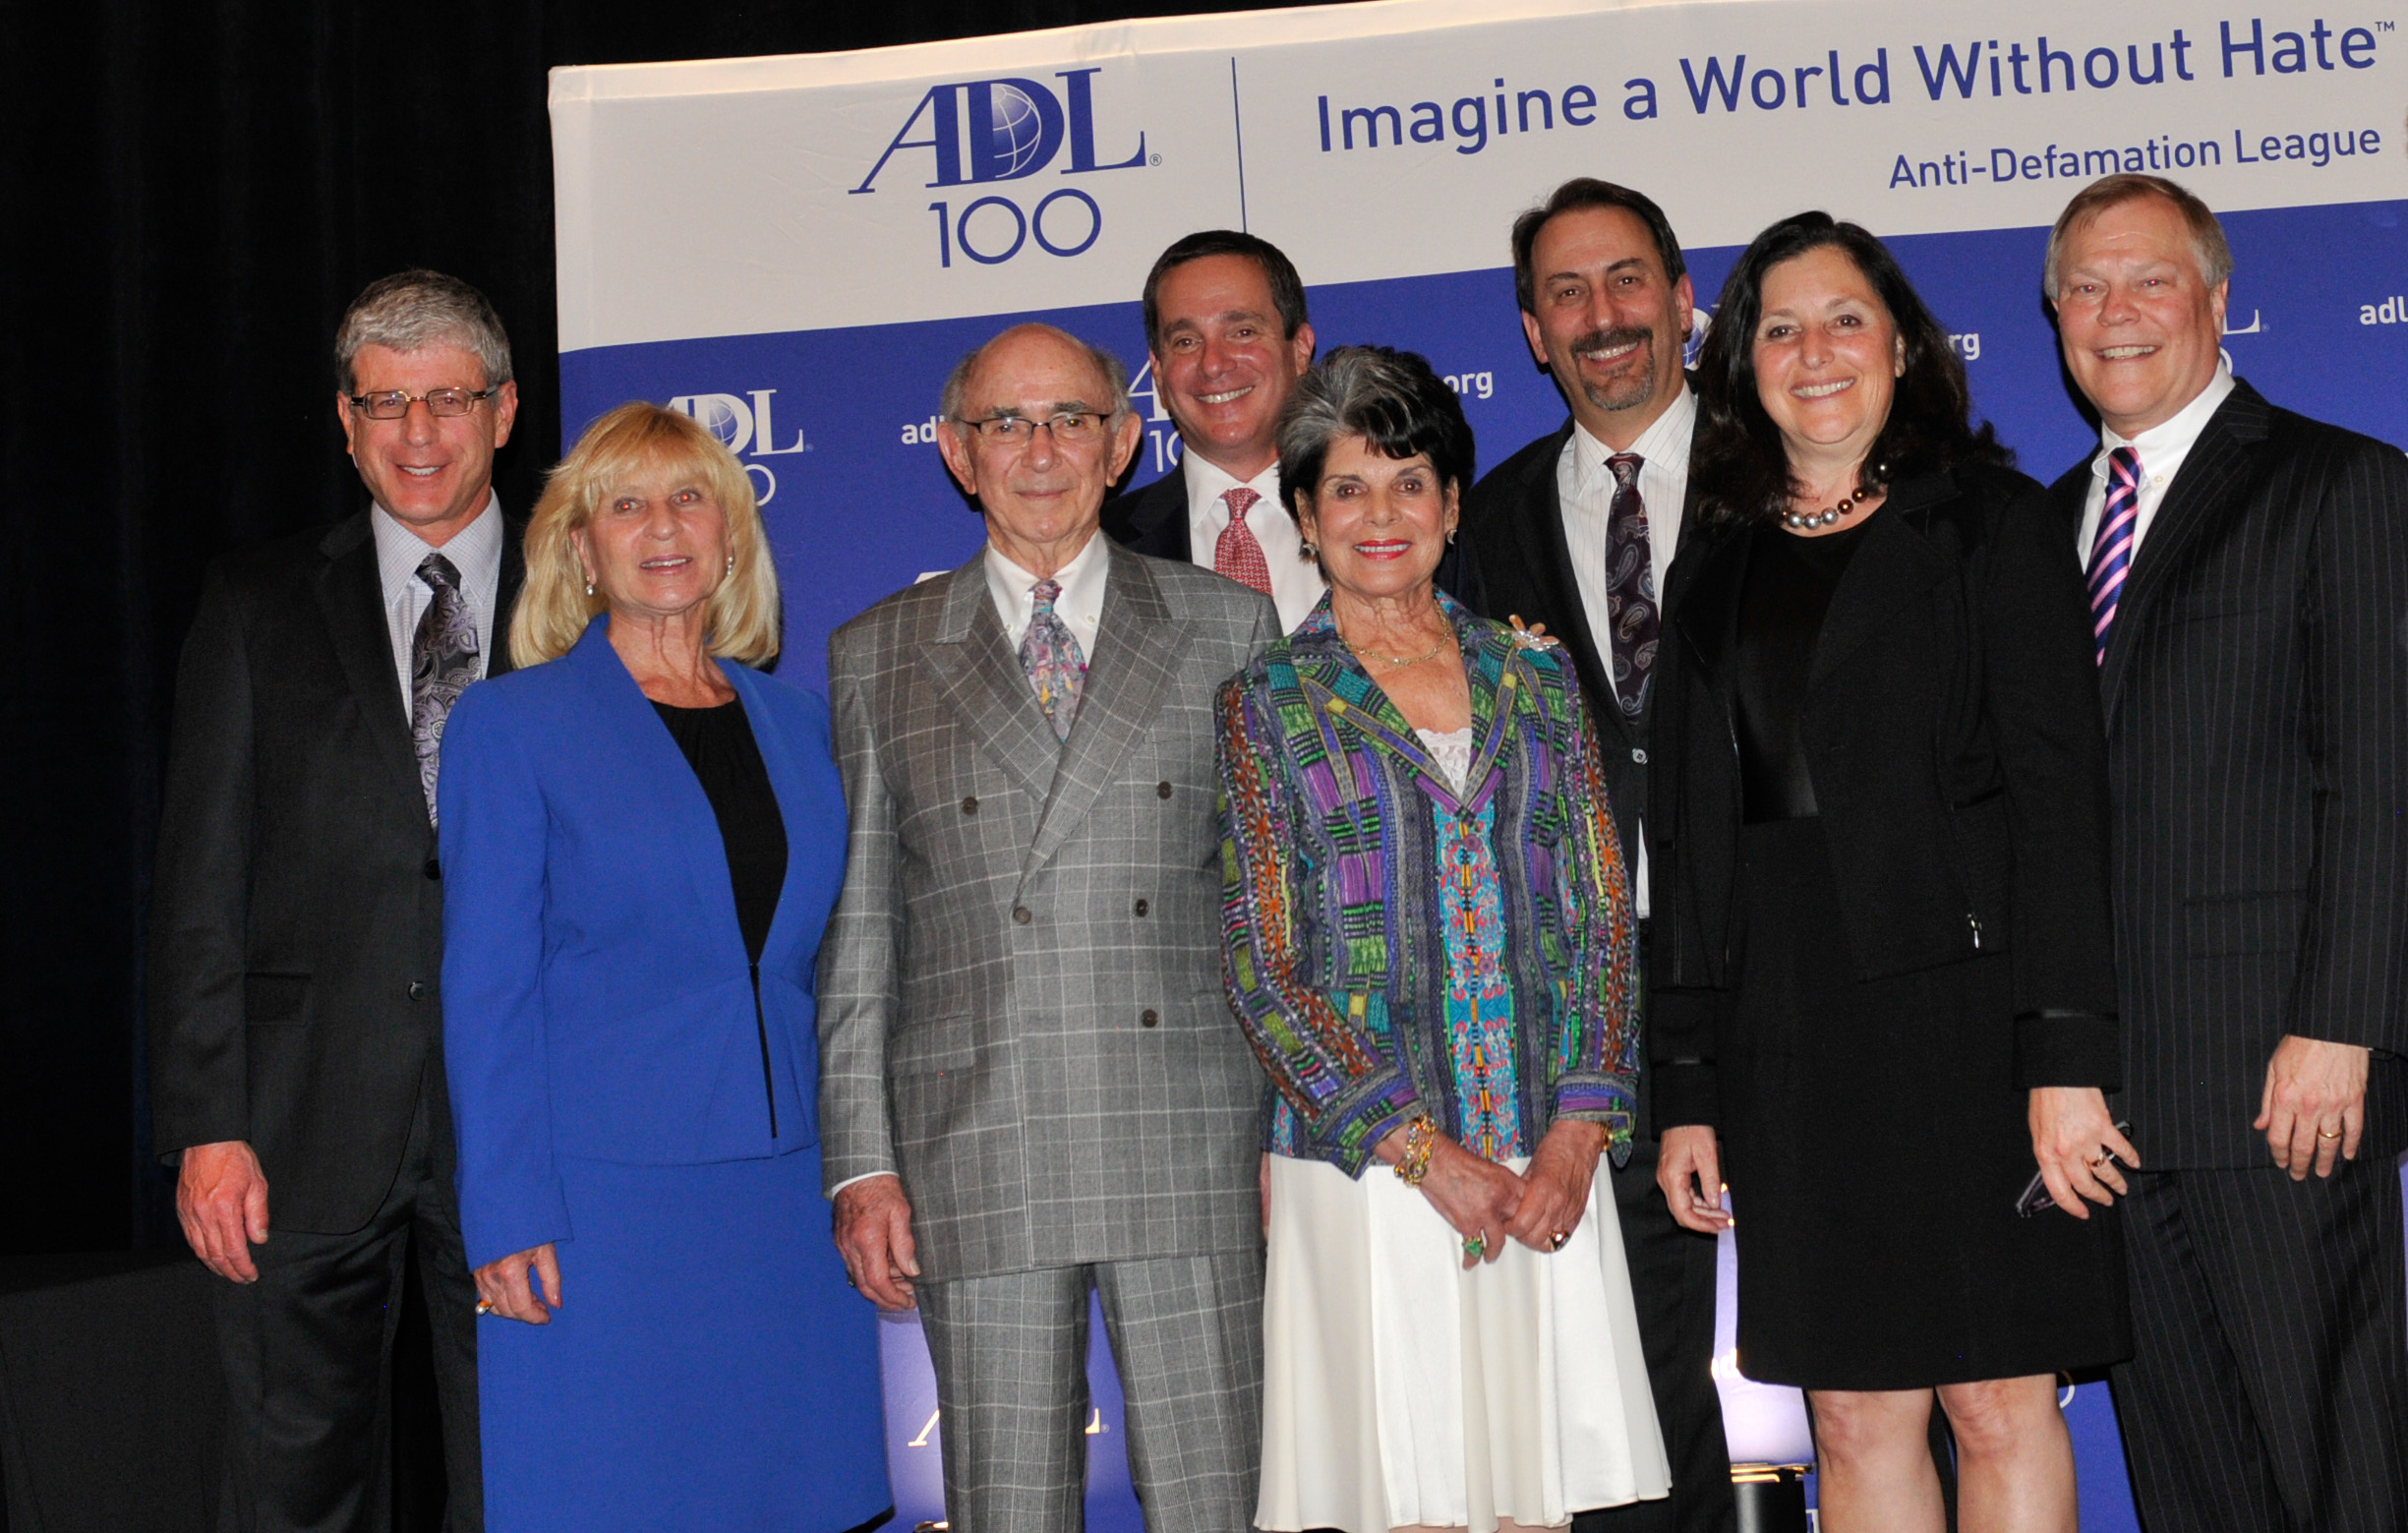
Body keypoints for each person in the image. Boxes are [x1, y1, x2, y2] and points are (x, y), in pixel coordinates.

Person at [1650, 213, 2130, 1533]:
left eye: (1846, 319)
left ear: (1906, 346)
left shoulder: (1990, 524)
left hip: (1971, 1028)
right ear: (1743, 363)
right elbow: (1693, 849)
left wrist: (2065, 1056)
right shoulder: (1715, 568)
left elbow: (2058, 801)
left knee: (1996, 1402)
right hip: (1793, 1041)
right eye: (1781, 327)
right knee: (1852, 1419)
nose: (1816, 352)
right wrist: (1688, 1086)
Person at [2040, 176, 2408, 1532]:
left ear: (2218, 301)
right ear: (2052, 316)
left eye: (2150, 280)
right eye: (2086, 288)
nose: (2117, 315)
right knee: (2192, 1489)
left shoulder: (2337, 483)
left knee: (2336, 1474)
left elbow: (2391, 784)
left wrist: (2341, 1028)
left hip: (2284, 1092)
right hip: (2110, 1118)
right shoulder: (2042, 530)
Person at [819, 322, 1280, 1533]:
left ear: (1124, 442)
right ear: (955, 453)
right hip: (980, 1136)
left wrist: (1287, 1132)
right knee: (1007, 1510)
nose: (1039, 450)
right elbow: (862, 928)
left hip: (1187, 1137)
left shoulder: (1226, 629)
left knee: (1217, 1505)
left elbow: (1270, 916)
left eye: (1070, 419)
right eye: (1004, 424)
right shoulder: (877, 655)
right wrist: (864, 1165)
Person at [1217, 344, 1668, 1533]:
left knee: (1536, 1505)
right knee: (1407, 1506)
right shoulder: (1270, 701)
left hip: (1542, 1158)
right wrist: (1425, 1155)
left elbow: (1599, 922)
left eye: (1409, 482)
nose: (1381, 515)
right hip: (1375, 1175)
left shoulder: (1536, 675)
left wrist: (1579, 1133)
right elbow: (1266, 969)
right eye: (1348, 489)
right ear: (1304, 517)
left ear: (1452, 506)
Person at [436, 401, 888, 1531]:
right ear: (580, 549)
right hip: (601, 1208)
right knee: (616, 1496)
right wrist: (502, 1214)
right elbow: (487, 990)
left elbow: (841, 962)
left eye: (690, 498)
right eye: (625, 505)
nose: (663, 527)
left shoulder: (802, 725)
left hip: (788, 1195)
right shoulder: (510, 726)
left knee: (789, 1493)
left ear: (733, 533)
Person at [149, 269, 521, 1532]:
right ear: (347, 423)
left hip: (529, 1130)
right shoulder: (255, 605)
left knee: (528, 1483)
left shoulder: (591, 602)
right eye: (387, 404)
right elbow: (199, 881)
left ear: (505, 412)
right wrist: (208, 1123)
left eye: (449, 400)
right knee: (295, 1493)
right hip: (299, 1129)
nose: (419, 434)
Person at [1460, 178, 1727, 1533]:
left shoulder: (1790, 467)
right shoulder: (1479, 525)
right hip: (1600, 1017)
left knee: (1887, 1375)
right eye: (1567, 293)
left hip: (1804, 983)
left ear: (1686, 299)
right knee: (1634, 1392)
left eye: (1627, 280)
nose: (1602, 316)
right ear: (1529, 330)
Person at [1104, 229, 1327, 628]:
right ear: (1157, 372)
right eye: (1187, 341)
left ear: (1300, 350)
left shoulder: (1393, 518)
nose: (1213, 364)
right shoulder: (1101, 547)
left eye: (1242, 332)